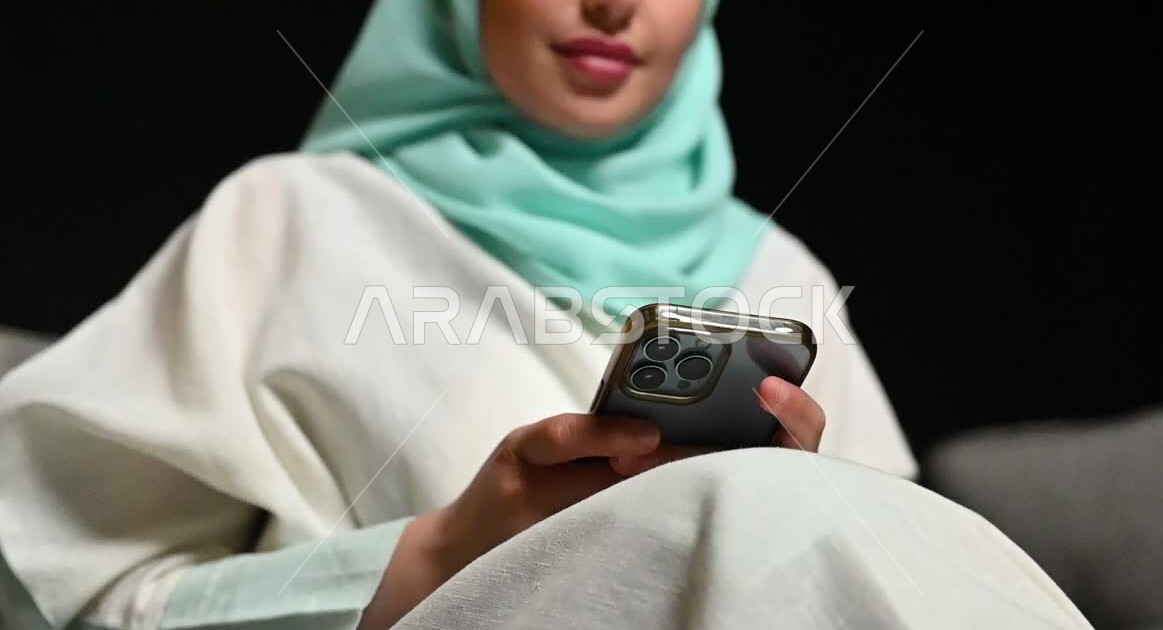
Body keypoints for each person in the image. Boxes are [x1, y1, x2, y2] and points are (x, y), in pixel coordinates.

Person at [0, 1, 1092, 629]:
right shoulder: (289, 219)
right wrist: (442, 551)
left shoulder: (780, 267)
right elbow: (84, 608)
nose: (614, 3)